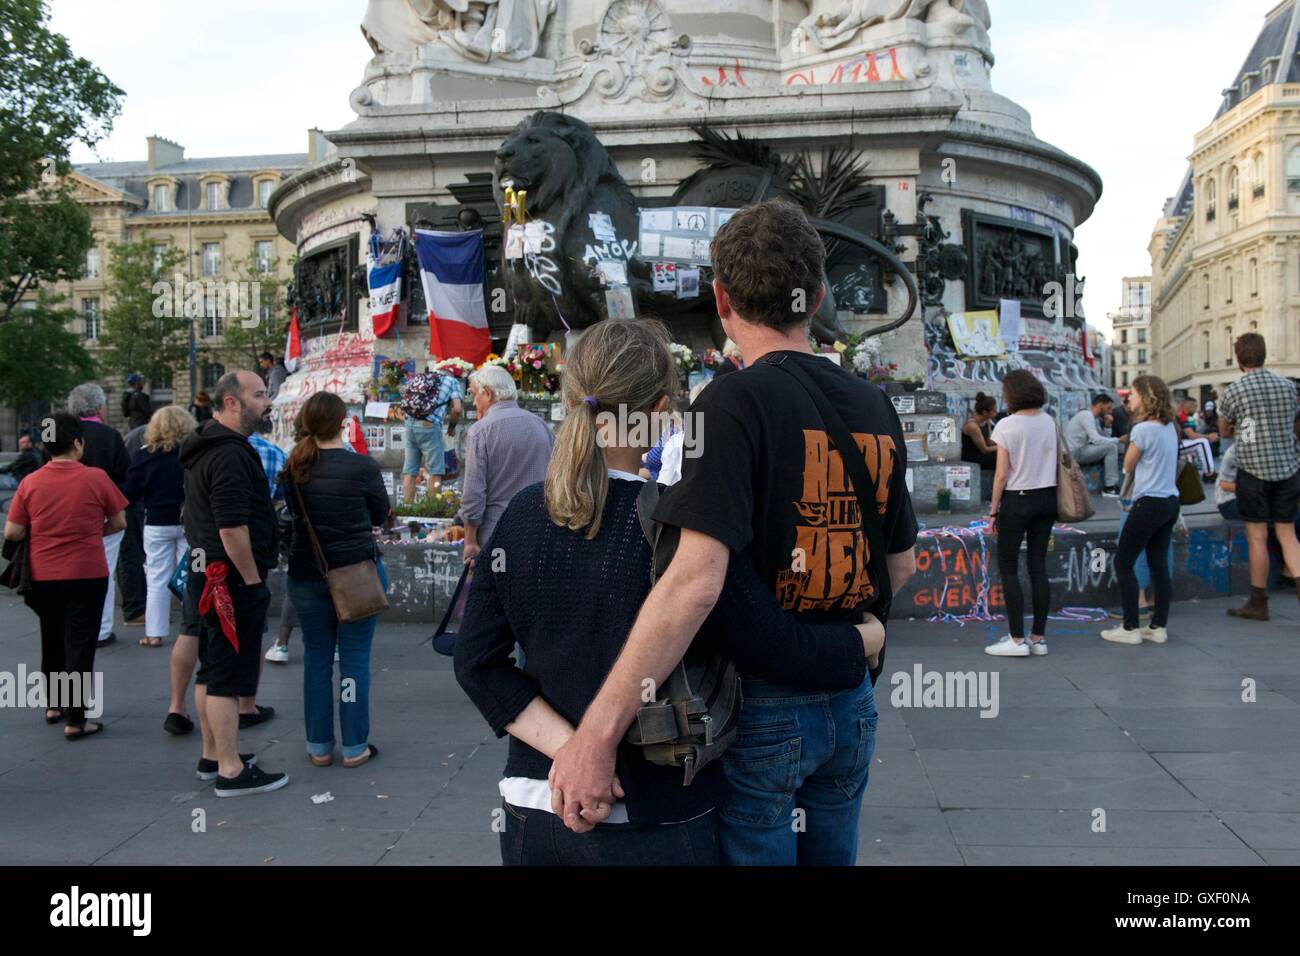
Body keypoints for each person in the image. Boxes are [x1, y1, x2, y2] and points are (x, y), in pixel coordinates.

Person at [545, 200, 918, 866]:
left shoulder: (728, 404)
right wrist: (853, 637)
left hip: (766, 709)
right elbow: (902, 566)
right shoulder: (876, 404)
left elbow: (694, 581)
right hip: (852, 701)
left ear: (720, 297)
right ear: (818, 296)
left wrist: (596, 736)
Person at [454, 318, 886, 866]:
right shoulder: (683, 529)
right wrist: (859, 640)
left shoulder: (521, 516)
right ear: (661, 413)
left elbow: (476, 663)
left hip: (536, 805)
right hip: (659, 812)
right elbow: (768, 640)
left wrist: (571, 754)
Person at [179, 370, 286, 795]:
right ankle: (230, 769)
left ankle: (213, 754)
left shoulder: (211, 446)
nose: (268, 402)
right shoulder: (229, 454)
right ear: (232, 403)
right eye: (259, 395)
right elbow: (231, 527)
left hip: (208, 573)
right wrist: (252, 578)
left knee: (212, 669)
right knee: (225, 674)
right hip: (227, 579)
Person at [280, 392, 391, 768]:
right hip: (356, 573)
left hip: (306, 575)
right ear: (343, 421)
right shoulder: (361, 467)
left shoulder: (293, 467)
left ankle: (319, 747)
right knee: (355, 661)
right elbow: (380, 514)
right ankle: (355, 746)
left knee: (316, 660)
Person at [3, 413, 127, 737]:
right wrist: (90, 531)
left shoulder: (30, 482)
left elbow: (13, 532)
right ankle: (76, 719)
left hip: (43, 574)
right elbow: (119, 522)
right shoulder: (96, 478)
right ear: (76, 443)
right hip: (87, 572)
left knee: (52, 639)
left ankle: (53, 705)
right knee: (80, 644)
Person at [1218, 333, 1300, 619]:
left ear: (1239, 358)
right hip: (1288, 469)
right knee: (1288, 534)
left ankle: (1258, 602)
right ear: (1264, 355)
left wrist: (1247, 427)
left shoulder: (1234, 391)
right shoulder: (1288, 387)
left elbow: (1225, 429)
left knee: (1257, 536)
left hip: (1253, 471)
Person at [1101, 375, 1181, 646]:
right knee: (1159, 564)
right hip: (1170, 501)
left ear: (1146, 397)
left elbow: (1128, 465)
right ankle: (1158, 626)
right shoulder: (1170, 427)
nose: (1129, 399)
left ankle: (1130, 626)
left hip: (1148, 503)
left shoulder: (1143, 430)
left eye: (1133, 394)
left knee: (1123, 562)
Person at [985, 370, 1059, 657]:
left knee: (1008, 567)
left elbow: (1002, 474)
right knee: (1038, 566)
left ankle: (1016, 639)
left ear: (1011, 393)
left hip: (1018, 499)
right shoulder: (1050, 422)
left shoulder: (1006, 425)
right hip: (1047, 498)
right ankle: (1038, 638)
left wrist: (993, 511)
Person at [459, 364, 553, 568]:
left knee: (498, 594)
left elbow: (473, 494)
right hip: (541, 532)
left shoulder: (480, 431)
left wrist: (470, 540)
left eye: (475, 395)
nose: (474, 402)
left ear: (488, 393)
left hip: (497, 534)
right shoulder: (542, 426)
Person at [124, 406, 196, 648]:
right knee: (192, 577)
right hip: (190, 523)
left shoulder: (145, 455)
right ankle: (193, 628)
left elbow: (130, 492)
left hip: (156, 522)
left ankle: (154, 632)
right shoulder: (194, 454)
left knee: (156, 578)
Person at [68, 383, 129, 647]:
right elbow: (125, 475)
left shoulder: (62, 435)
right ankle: (101, 630)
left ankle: (72, 624)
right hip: (104, 514)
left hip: (67, 513)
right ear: (99, 407)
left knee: (70, 571)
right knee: (104, 570)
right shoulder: (110, 436)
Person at [400, 364, 462, 506]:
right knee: (435, 471)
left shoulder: (422, 377)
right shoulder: (452, 381)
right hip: (429, 426)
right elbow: (457, 409)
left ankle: (407, 509)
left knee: (410, 471)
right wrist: (451, 427)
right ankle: (433, 510)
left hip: (409, 424)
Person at [1065, 393, 1123, 495]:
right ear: (1100, 405)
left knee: (1111, 446)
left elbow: (1103, 439)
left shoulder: (1093, 418)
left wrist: (1108, 426)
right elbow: (1097, 440)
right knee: (1112, 448)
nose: (1110, 412)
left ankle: (1110, 485)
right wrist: (1118, 440)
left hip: (1079, 450)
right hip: (1073, 452)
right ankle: (1110, 487)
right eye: (1108, 408)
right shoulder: (1086, 415)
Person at [1177, 397, 1217, 480]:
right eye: (1194, 406)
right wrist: (1209, 436)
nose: (1196, 409)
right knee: (1202, 442)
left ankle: (1199, 468)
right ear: (1188, 406)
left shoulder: (1185, 415)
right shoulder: (1181, 414)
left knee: (1200, 442)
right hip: (1175, 445)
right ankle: (1209, 474)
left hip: (1176, 443)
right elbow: (1191, 435)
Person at [960, 392, 999, 472]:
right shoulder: (972, 426)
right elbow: (984, 449)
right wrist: (1002, 448)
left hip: (983, 455)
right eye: (994, 410)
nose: (997, 412)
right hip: (973, 458)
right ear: (985, 412)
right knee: (1002, 459)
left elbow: (989, 441)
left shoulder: (987, 420)